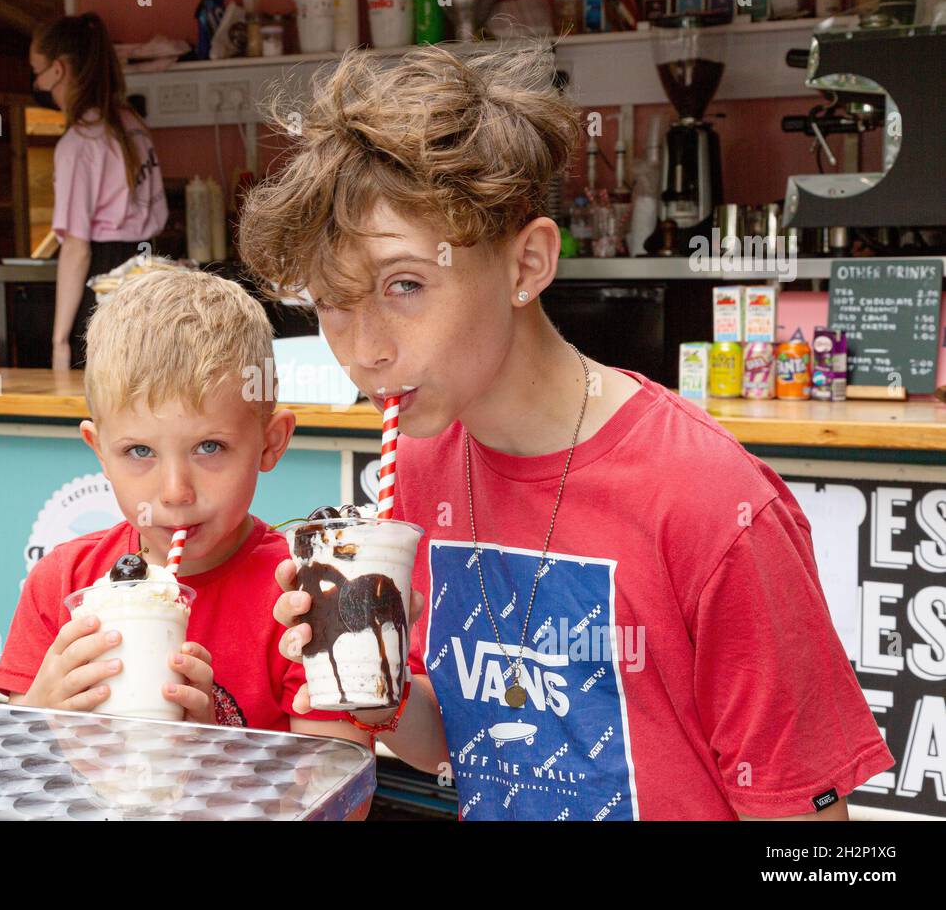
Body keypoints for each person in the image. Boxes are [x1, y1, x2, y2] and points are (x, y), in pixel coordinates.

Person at [242, 45, 895, 821]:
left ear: (527, 264)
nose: (365, 346)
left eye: (405, 285)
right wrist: (364, 682)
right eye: (333, 301)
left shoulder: (711, 505)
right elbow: (460, 740)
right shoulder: (416, 467)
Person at [0, 269, 367, 748]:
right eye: (140, 452)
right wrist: (39, 719)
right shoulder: (64, 583)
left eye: (209, 447)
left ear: (270, 443)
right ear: (99, 451)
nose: (175, 492)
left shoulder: (305, 600)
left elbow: (345, 802)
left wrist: (211, 756)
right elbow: (16, 775)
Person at [29, 14, 167, 371]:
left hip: (104, 279)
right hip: (149, 272)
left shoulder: (79, 142)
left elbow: (76, 248)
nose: (37, 83)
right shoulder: (133, 124)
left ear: (58, 70)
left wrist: (59, 341)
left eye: (37, 71)